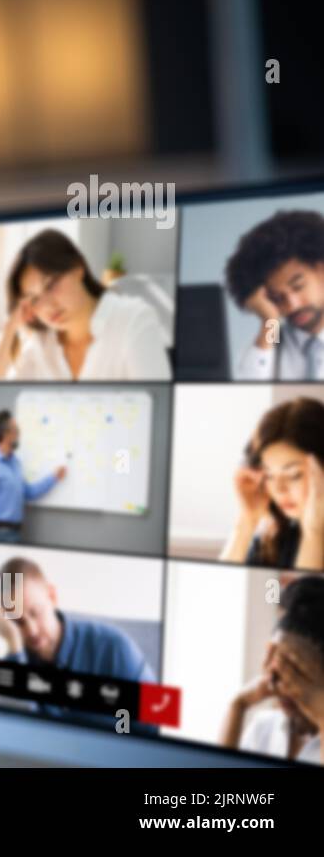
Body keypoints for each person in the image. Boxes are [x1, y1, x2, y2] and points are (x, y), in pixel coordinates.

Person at [0, 557, 157, 730]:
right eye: (18, 622)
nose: (31, 630)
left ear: (52, 596)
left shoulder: (114, 648)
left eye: (35, 612)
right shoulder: (18, 660)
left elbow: (155, 726)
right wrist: (13, 644)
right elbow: (16, 731)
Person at [0, 229, 171, 381]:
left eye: (51, 284)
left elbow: (155, 403)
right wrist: (10, 329)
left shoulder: (134, 319)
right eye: (34, 299)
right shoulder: (41, 343)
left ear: (78, 268)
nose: (47, 306)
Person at [220, 575, 324, 765]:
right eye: (276, 668)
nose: (279, 685)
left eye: (295, 673)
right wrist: (237, 705)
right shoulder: (264, 728)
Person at [219, 397, 324, 572]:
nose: (279, 490)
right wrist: (247, 519)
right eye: (269, 476)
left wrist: (314, 535)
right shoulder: (276, 540)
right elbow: (270, 596)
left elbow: (306, 597)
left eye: (294, 475)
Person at [225, 210, 324, 381]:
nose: (292, 305)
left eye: (298, 286)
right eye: (277, 298)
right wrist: (269, 321)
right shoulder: (272, 341)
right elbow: (247, 394)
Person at [0, 409, 66, 541]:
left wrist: (53, 477)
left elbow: (29, 492)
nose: (19, 434)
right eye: (16, 430)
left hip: (16, 533)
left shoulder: (15, 463)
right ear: (6, 434)